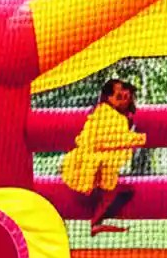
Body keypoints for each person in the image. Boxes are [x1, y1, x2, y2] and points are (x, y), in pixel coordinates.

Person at [59, 79, 147, 235]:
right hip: (89, 165)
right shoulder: (107, 113)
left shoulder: (113, 115)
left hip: (95, 164)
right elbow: (108, 139)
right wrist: (140, 139)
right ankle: (96, 220)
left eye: (127, 97)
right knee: (112, 190)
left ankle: (97, 221)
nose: (124, 100)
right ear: (109, 98)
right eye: (119, 96)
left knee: (115, 190)